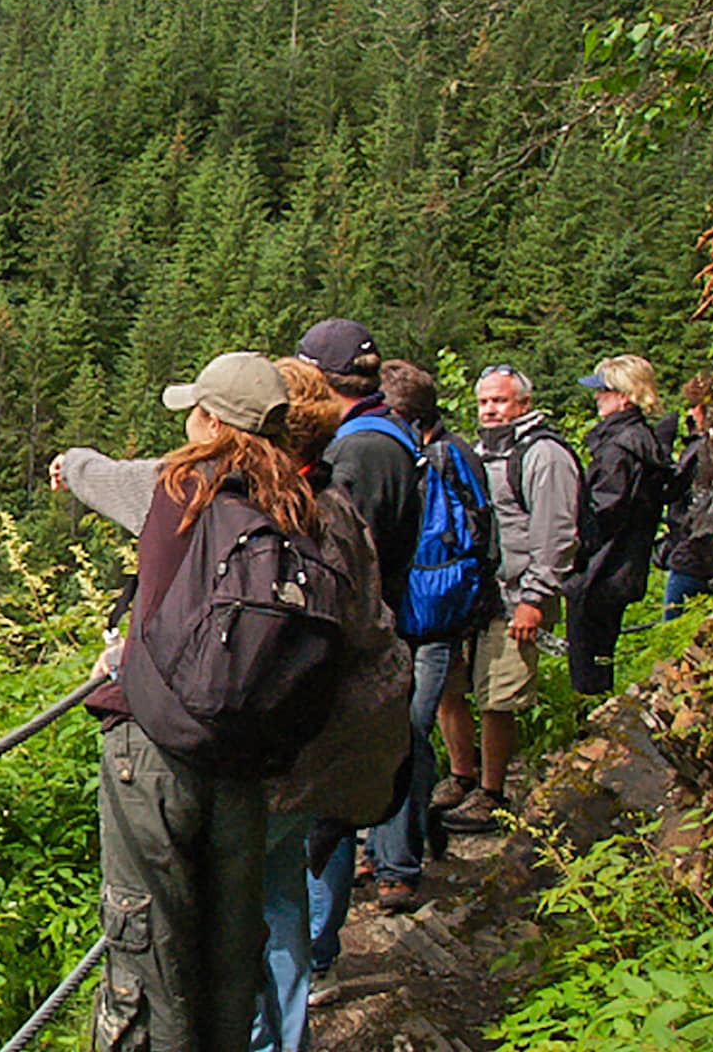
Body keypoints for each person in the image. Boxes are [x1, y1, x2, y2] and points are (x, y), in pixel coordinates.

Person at [48, 351, 310, 1052]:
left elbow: (95, 475)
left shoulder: (174, 485)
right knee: (230, 950)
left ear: (211, 420)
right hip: (246, 755)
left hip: (154, 746)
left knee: (148, 949)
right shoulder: (297, 504)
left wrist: (69, 463)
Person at [250, 358, 411, 1052]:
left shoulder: (284, 516)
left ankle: (259, 1034)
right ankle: (285, 1032)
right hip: (335, 736)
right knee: (283, 889)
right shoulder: (338, 503)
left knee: (248, 897)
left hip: (282, 750)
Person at [293, 319, 422, 988]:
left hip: (350, 652)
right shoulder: (388, 436)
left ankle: (315, 958)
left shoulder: (361, 453)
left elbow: (349, 561)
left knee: (324, 815)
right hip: (377, 636)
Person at [362, 360, 493, 912]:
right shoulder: (459, 454)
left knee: (404, 735)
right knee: (404, 736)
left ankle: (395, 864)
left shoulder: (426, 457)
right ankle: (403, 840)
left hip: (419, 621)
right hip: (434, 616)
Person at [434, 365, 581, 834]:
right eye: (483, 402)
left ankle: (492, 794)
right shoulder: (476, 453)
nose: (490, 410)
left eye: (499, 401)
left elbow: (557, 533)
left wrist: (535, 598)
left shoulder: (544, 455)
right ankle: (461, 775)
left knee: (498, 697)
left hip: (517, 594)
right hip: (471, 593)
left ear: (522, 403)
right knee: (448, 686)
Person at [565, 354, 671, 700]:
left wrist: (571, 553)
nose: (598, 397)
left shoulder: (619, 449)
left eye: (604, 391)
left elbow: (602, 514)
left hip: (602, 571)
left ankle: (593, 732)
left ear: (624, 396)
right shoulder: (642, 439)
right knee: (601, 655)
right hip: (622, 568)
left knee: (588, 666)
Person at [657, 375, 713, 618]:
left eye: (694, 406)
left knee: (672, 633)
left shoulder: (702, 450)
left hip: (693, 558)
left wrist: (662, 452)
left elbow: (670, 491)